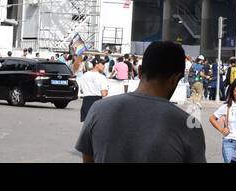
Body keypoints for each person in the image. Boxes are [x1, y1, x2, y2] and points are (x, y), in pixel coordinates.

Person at [75, 41, 205, 163]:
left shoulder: (98, 109)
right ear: (175, 79)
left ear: (140, 71)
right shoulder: (189, 126)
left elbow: (88, 158)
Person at [210, 83, 236, 163]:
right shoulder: (227, 106)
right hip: (230, 142)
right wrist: (221, 129)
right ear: (232, 93)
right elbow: (212, 118)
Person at [77, 57, 110, 121]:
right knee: (96, 125)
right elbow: (104, 94)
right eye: (102, 64)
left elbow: (81, 90)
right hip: (97, 102)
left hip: (86, 101)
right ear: (97, 65)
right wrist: (106, 90)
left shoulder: (84, 75)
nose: (104, 66)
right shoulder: (101, 77)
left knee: (87, 124)